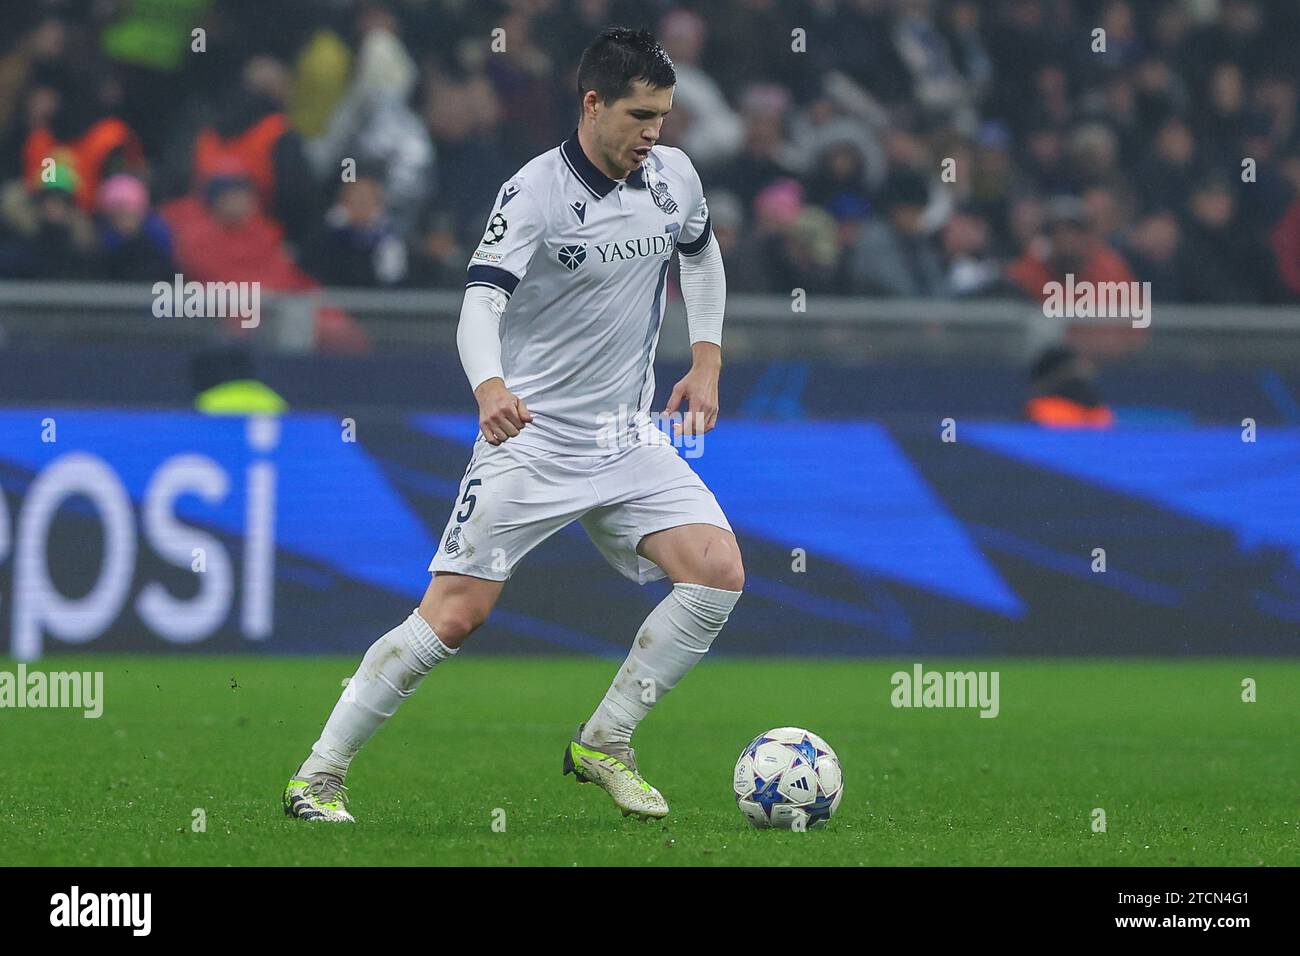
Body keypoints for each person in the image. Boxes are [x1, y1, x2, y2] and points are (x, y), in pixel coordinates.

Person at [284, 28, 744, 823]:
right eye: (639, 115)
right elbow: (480, 303)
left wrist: (706, 360)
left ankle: (606, 740)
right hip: (531, 440)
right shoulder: (532, 193)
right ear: (591, 103)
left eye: (663, 118)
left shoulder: (674, 177)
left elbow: (699, 254)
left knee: (716, 572)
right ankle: (317, 778)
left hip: (625, 437)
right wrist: (489, 385)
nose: (652, 134)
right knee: (455, 615)